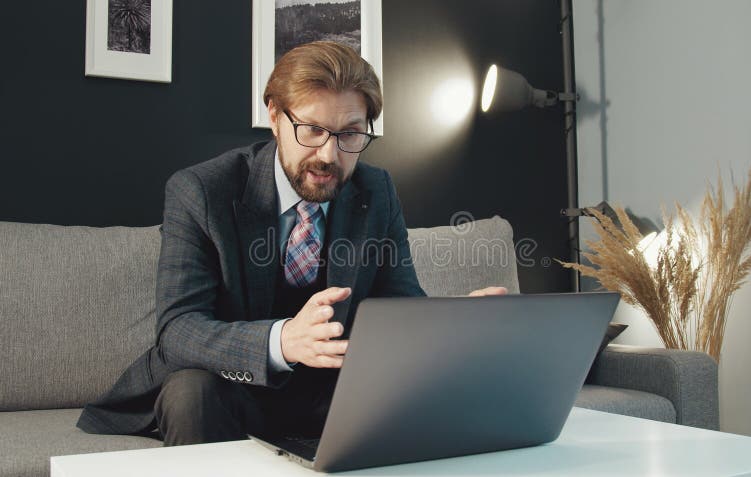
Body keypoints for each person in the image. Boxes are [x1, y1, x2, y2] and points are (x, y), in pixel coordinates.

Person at [77, 41, 505, 445]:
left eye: (350, 135)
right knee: (191, 391)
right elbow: (178, 330)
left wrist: (454, 324)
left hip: (328, 394)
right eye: (312, 130)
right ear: (275, 116)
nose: (329, 156)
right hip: (229, 389)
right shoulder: (202, 191)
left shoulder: (375, 191)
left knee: (422, 389)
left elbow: (400, 303)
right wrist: (282, 342)